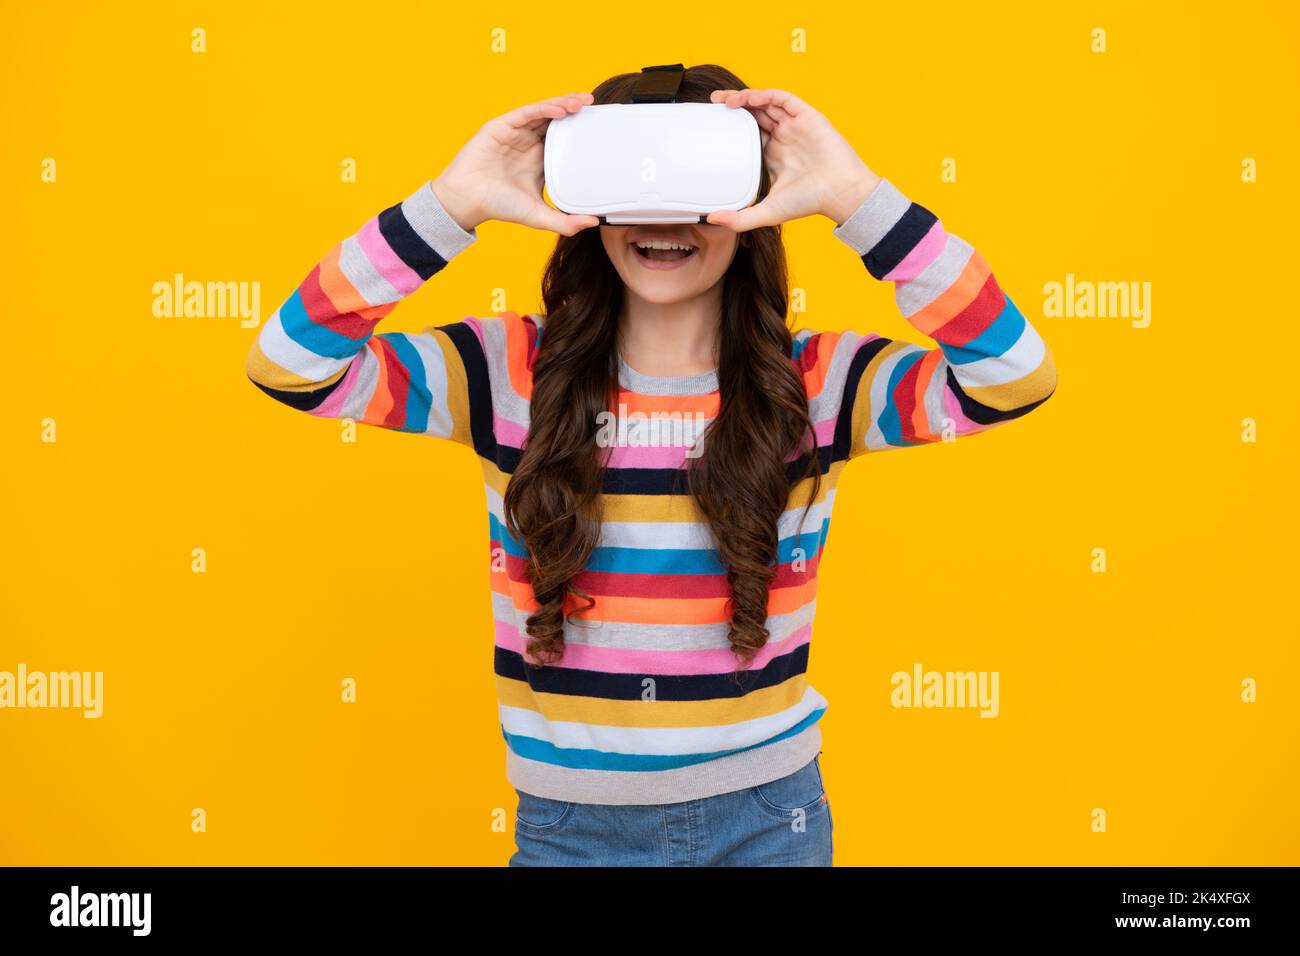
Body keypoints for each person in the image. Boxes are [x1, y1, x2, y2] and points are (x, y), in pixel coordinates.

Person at [244, 64, 1057, 866]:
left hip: (769, 820)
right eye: (631, 182)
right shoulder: (505, 369)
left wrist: (856, 200)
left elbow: (1013, 378)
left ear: (755, 200)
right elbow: (289, 362)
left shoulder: (819, 384)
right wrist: (451, 204)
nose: (664, 216)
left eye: (695, 181)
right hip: (568, 829)